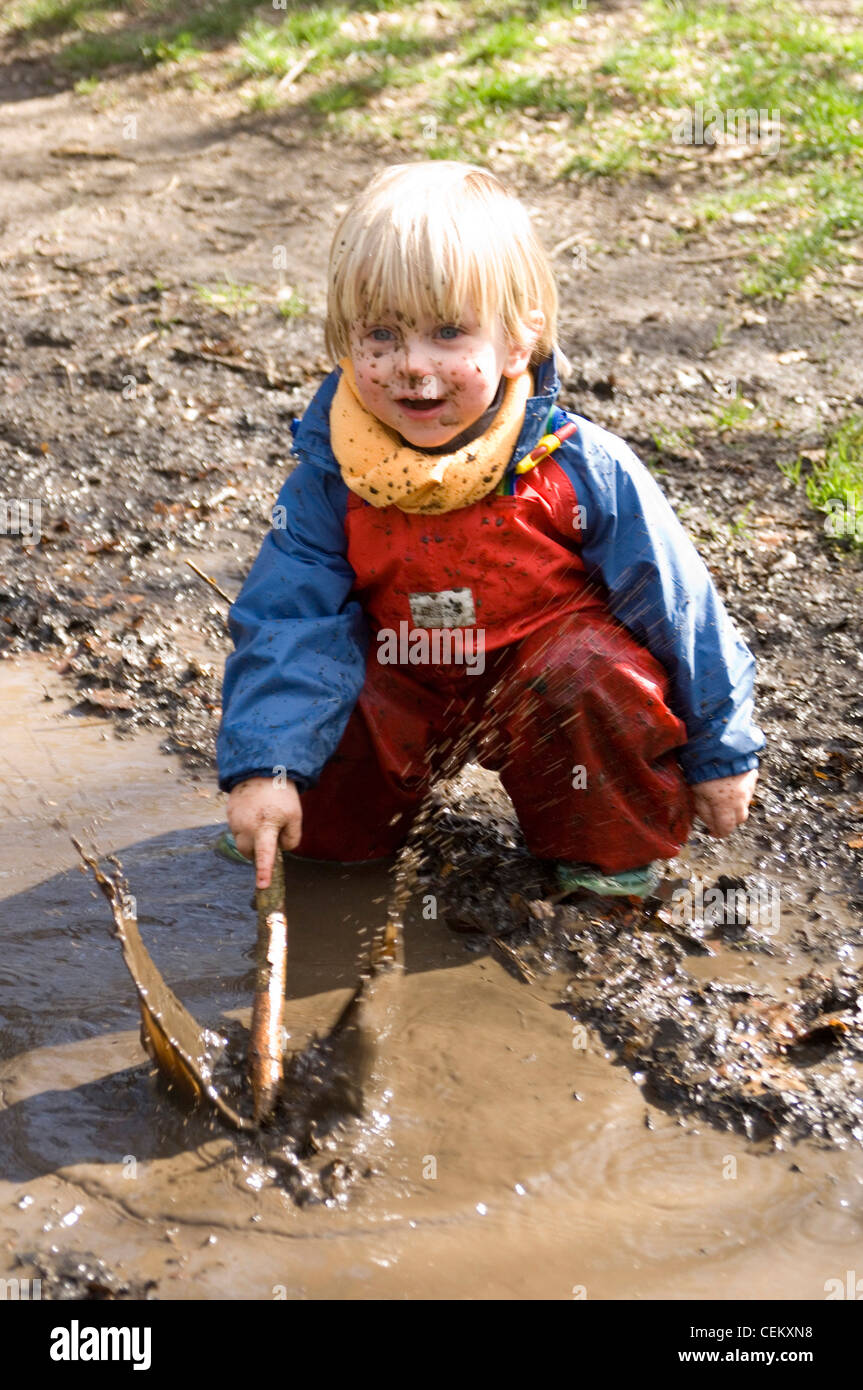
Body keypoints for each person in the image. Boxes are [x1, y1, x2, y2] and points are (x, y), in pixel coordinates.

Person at [217, 161, 763, 898]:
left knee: (592, 676)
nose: (413, 366)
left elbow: (676, 603)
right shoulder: (329, 477)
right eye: (381, 335)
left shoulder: (580, 464)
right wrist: (268, 768)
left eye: (448, 333)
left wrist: (721, 752)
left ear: (517, 339)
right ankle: (325, 839)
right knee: (314, 833)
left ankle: (606, 864)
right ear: (343, 341)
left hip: (541, 685)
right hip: (402, 678)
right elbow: (289, 621)